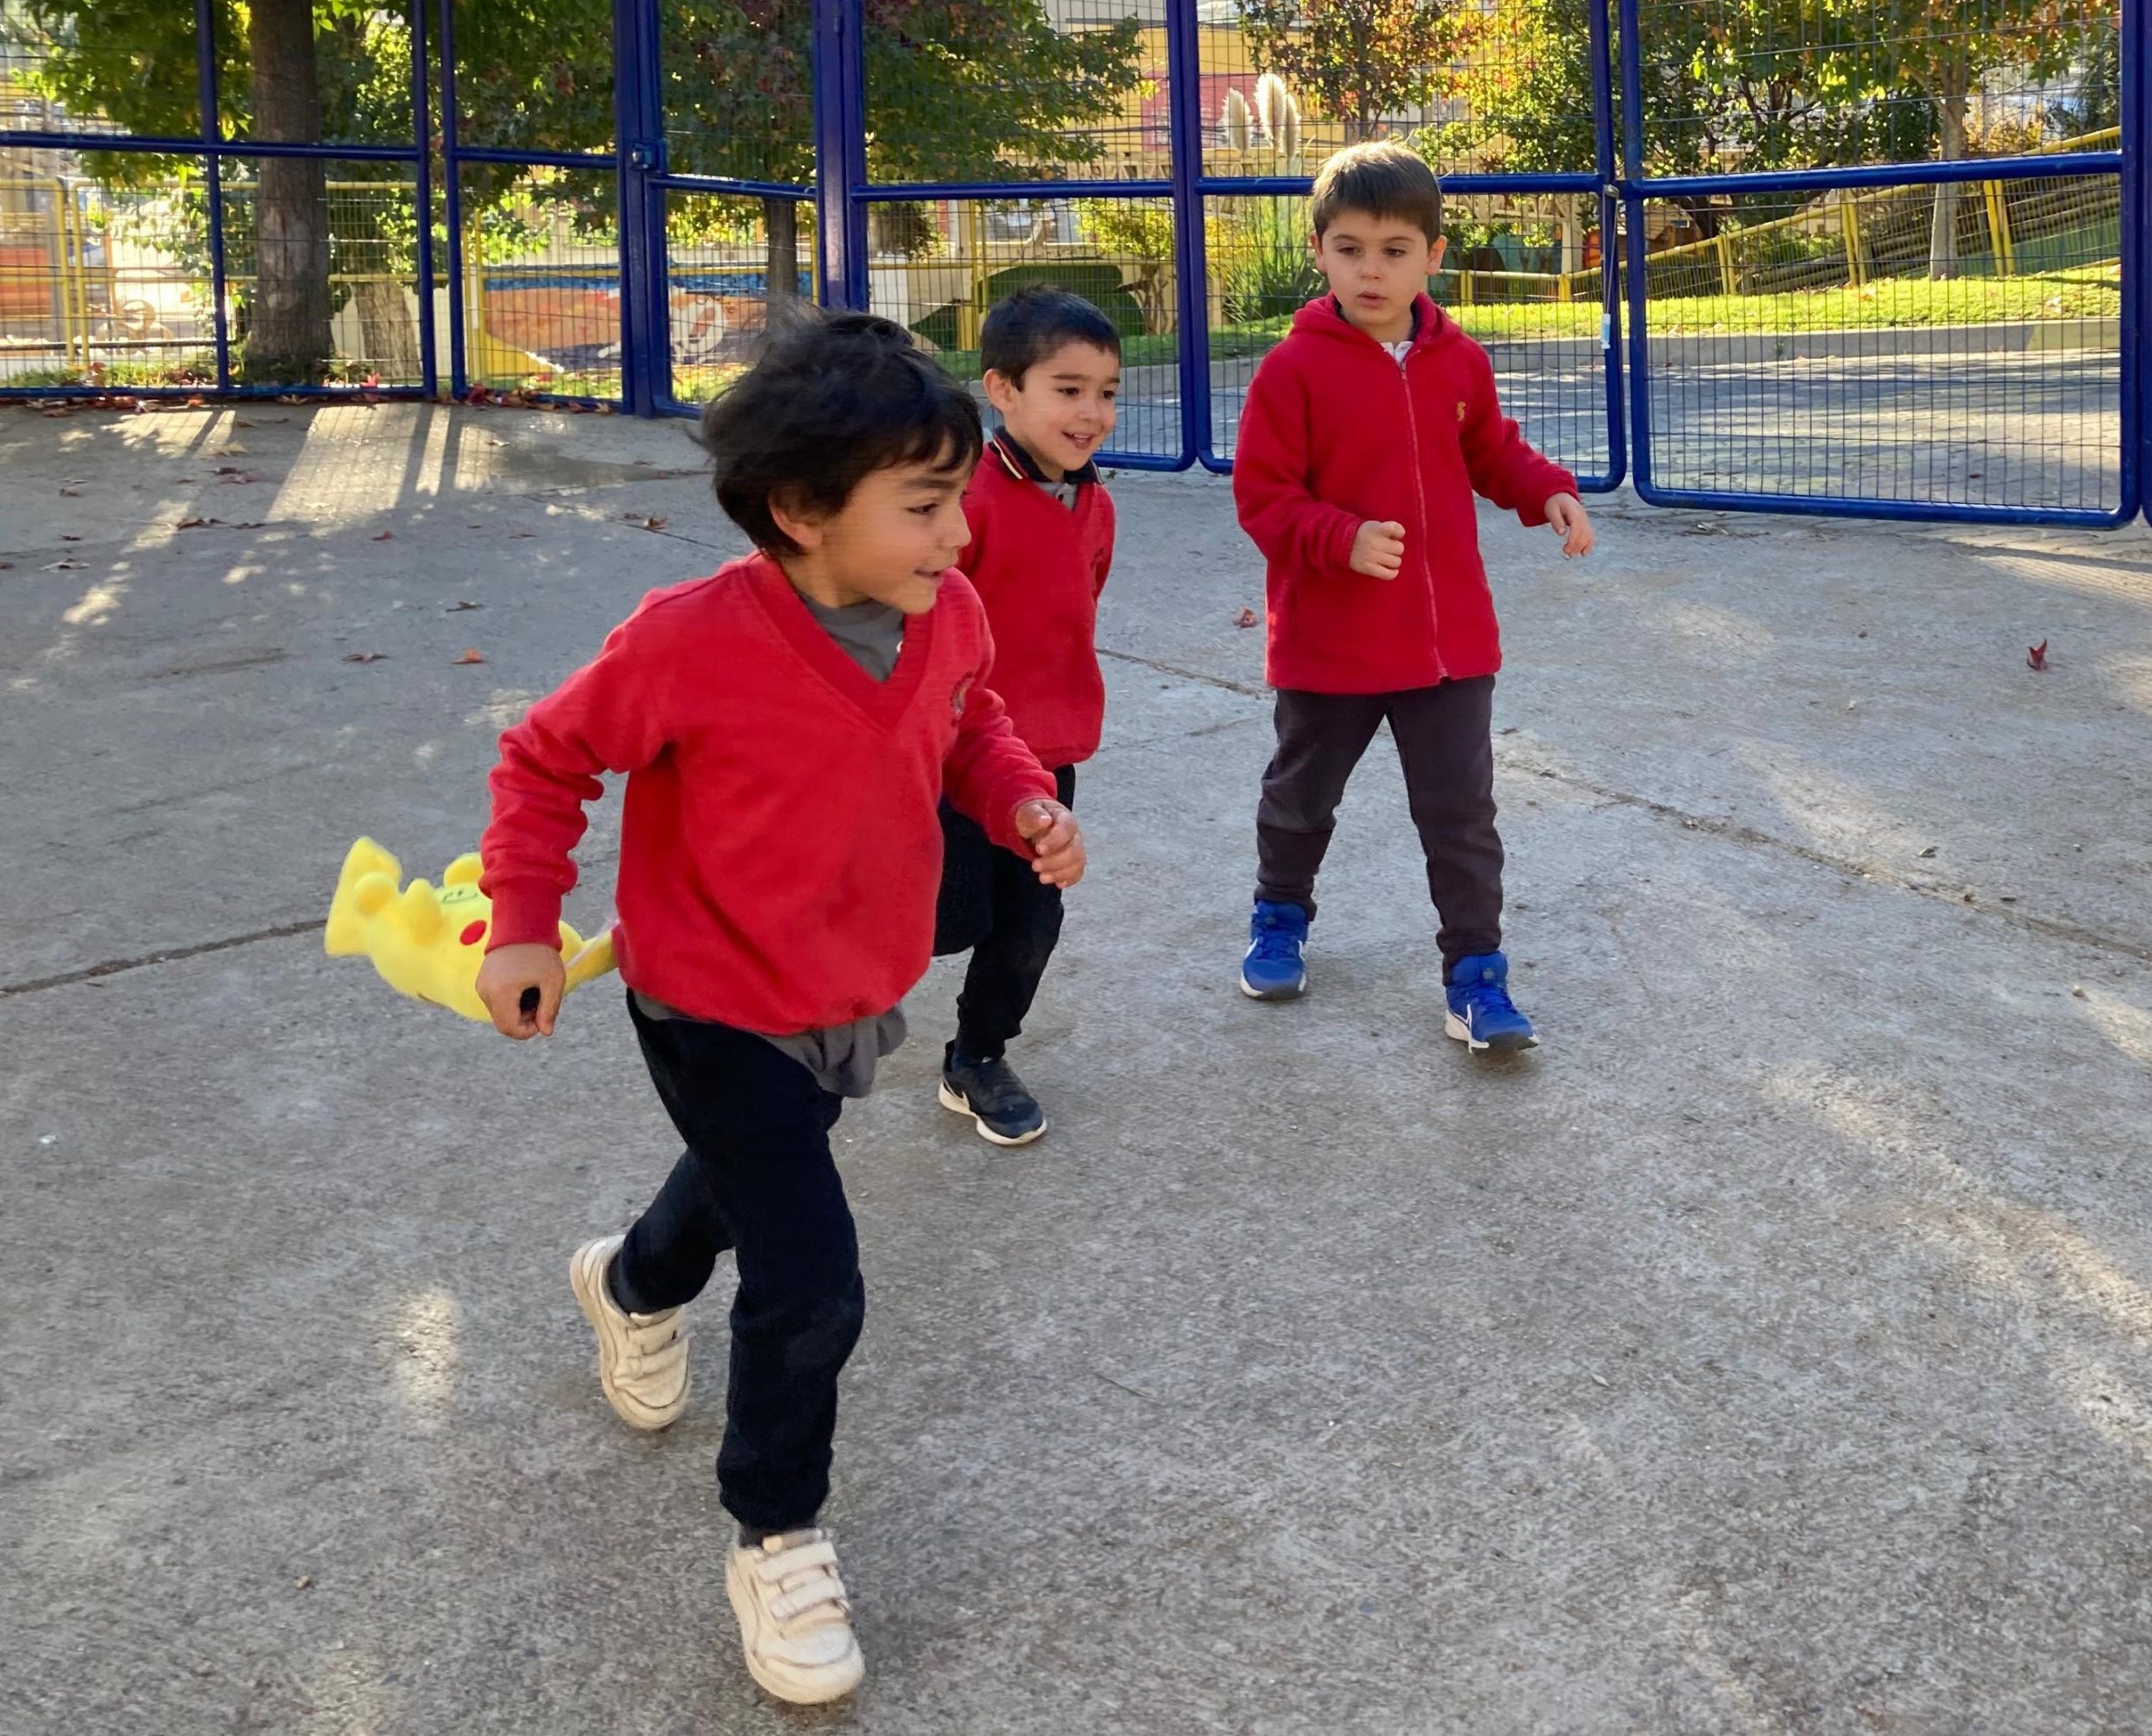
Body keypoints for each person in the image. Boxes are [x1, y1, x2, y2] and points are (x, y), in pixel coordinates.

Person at [472, 314, 1084, 1705]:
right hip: (707, 995)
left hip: (850, 983)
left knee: (749, 1181)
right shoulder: (692, 640)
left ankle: (627, 1280)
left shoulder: (948, 614)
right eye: (925, 508)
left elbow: (971, 722)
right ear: (803, 511)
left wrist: (1020, 794)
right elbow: (545, 755)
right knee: (811, 1269)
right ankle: (776, 1530)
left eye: (960, 503)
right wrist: (520, 921)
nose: (958, 537)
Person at [1231, 141, 1595, 1050]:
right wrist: (1340, 538)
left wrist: (1544, 486)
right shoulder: (1292, 370)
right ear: (1318, 252)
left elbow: (1490, 451)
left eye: (1394, 249)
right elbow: (1262, 498)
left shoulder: (1456, 359)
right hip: (1331, 645)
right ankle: (1279, 915)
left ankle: (1475, 976)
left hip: (1448, 648)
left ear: (1433, 256)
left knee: (1461, 817)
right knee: (1301, 797)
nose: (1370, 268)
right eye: (1349, 247)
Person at [933, 286, 1121, 1146]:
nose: (1091, 412)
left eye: (1107, 392)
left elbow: (1081, 603)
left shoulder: (1095, 504)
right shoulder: (961, 501)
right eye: (1069, 387)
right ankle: (801, 1023)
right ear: (1002, 389)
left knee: (1028, 926)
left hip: (1045, 755)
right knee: (942, 920)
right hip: (949, 756)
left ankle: (976, 1057)